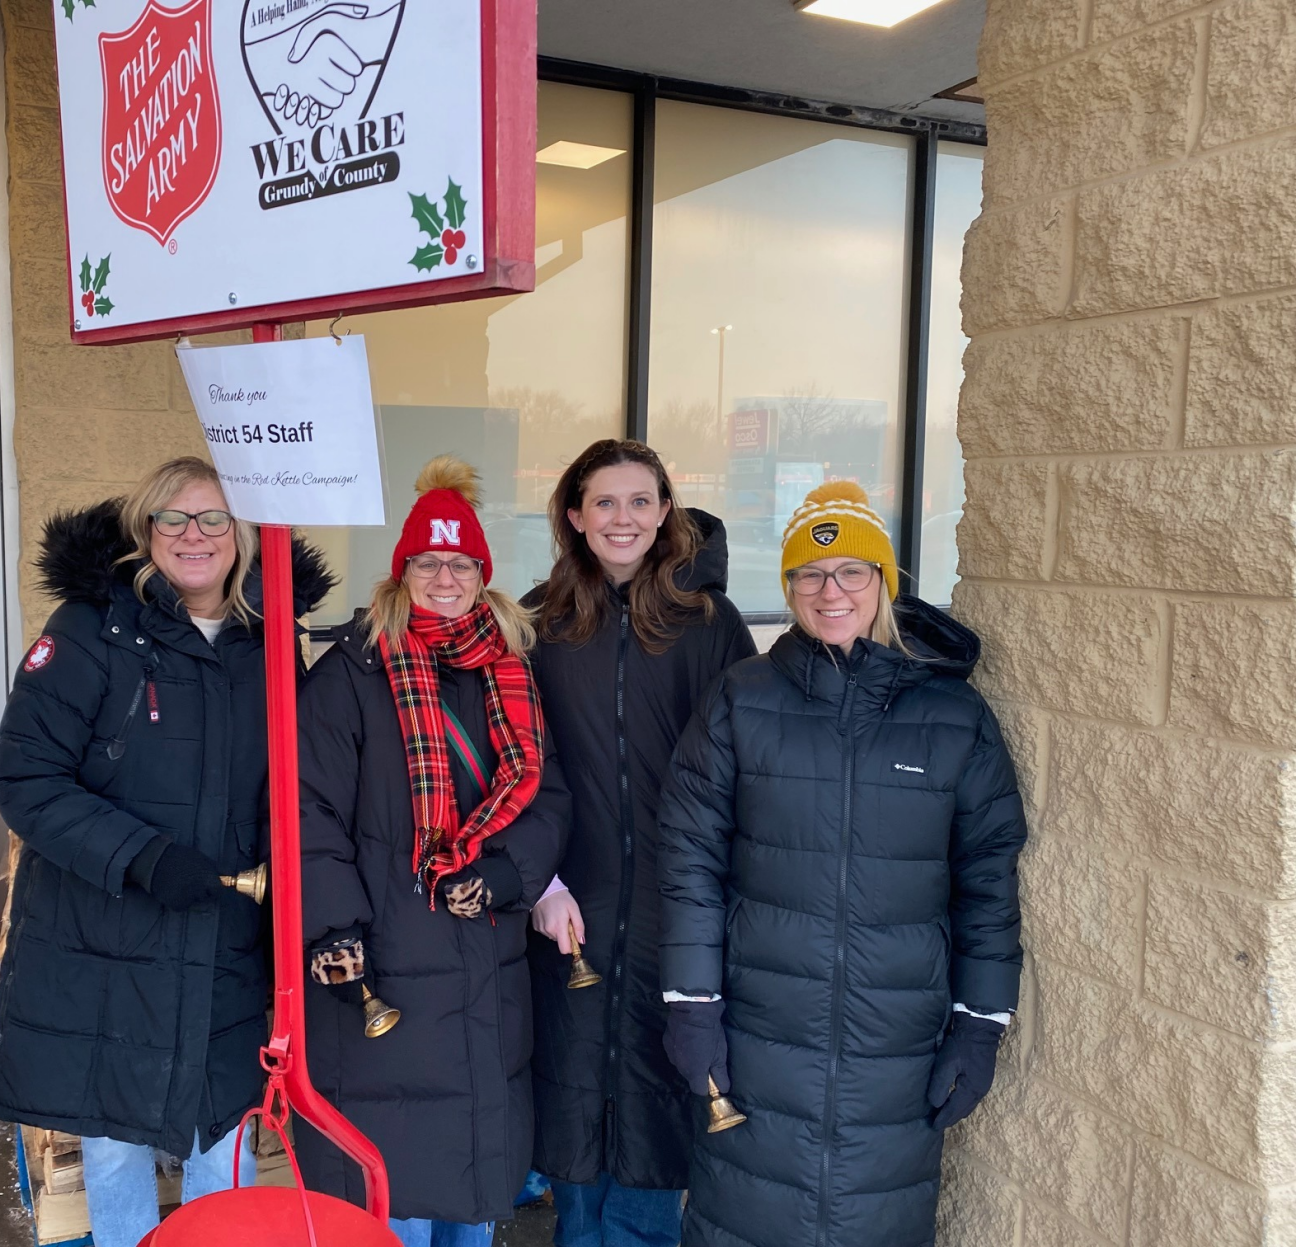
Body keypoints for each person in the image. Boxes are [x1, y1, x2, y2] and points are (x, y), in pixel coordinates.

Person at [0, 457, 335, 1247]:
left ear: (241, 536)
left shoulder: (272, 640)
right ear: (145, 531)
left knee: (225, 1133)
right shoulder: (88, 629)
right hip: (105, 932)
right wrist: (142, 855)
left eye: (213, 518)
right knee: (112, 1136)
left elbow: (300, 779)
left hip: (227, 934)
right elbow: (29, 780)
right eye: (172, 518)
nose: (193, 534)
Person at [657, 480, 1026, 1247]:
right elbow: (690, 856)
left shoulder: (953, 718)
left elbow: (988, 877)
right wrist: (691, 1001)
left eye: (853, 571)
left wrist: (980, 1019)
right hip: (758, 1037)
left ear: (884, 582)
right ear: (789, 588)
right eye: (809, 575)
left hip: (897, 1048)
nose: (832, 592)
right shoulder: (740, 700)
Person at [294, 455, 570, 1247]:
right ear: (401, 569)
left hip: (486, 961)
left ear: (483, 573)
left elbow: (547, 795)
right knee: (397, 1201)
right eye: (428, 561)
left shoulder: (509, 669)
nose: (444, 577)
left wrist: (503, 873)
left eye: (460, 563)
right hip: (389, 965)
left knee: (472, 1195)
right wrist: (334, 928)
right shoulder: (351, 674)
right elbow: (310, 812)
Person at [522, 439, 756, 1247]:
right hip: (569, 907)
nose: (623, 518)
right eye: (605, 502)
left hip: (676, 906)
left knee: (658, 1113)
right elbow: (510, 756)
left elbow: (745, 766)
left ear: (665, 514)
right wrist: (539, 877)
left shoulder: (710, 624)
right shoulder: (540, 621)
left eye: (640, 501)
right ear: (576, 515)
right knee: (576, 1104)